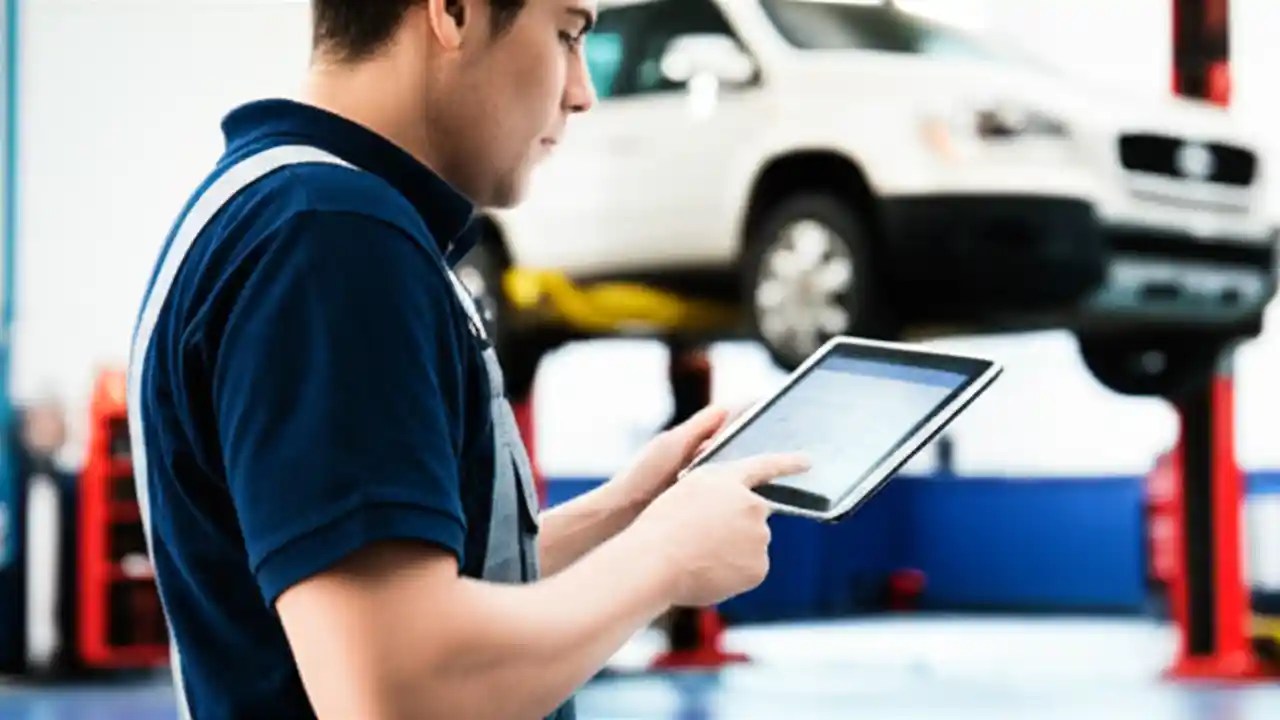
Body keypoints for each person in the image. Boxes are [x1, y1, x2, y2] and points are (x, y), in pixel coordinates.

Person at [126, 0, 809, 718]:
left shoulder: (282, 209)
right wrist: (663, 559)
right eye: (567, 35)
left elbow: (420, 588)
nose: (582, 92)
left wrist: (628, 511)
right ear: (453, 12)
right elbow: (398, 689)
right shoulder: (331, 239)